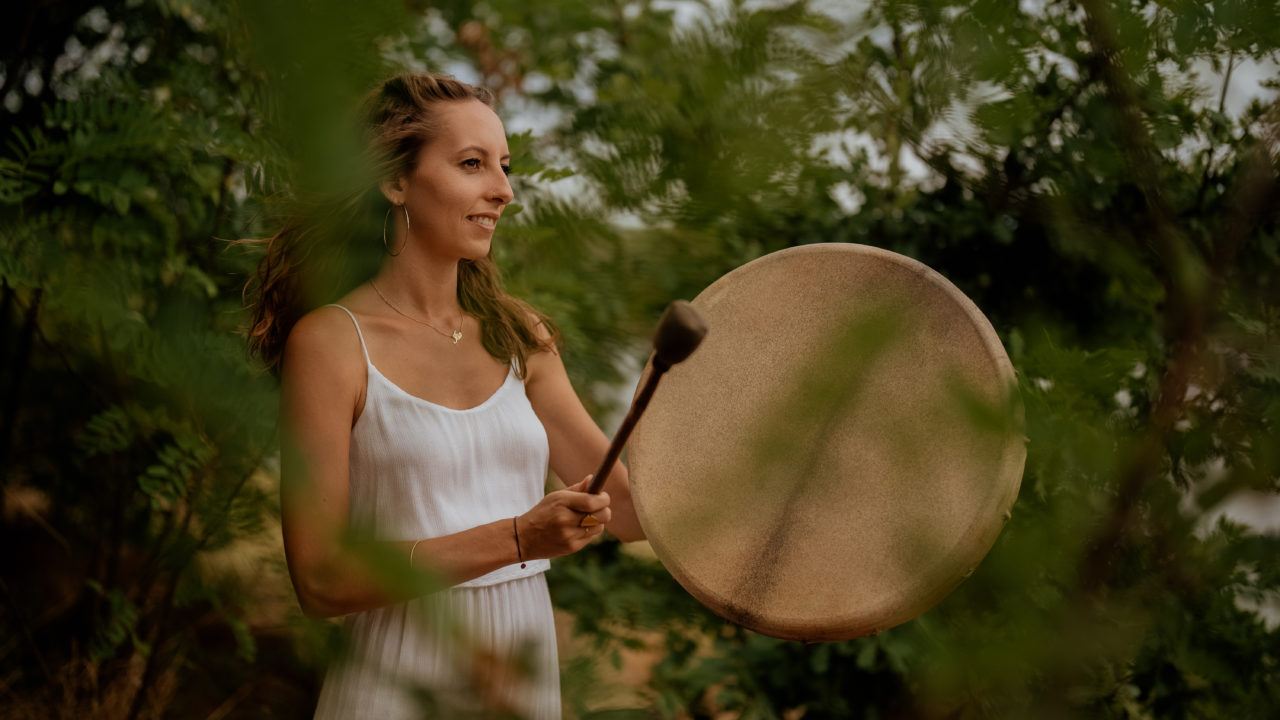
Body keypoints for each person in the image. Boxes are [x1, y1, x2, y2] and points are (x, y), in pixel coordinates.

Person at [243, 72, 644, 719]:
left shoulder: (520, 336)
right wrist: (517, 537)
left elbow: (625, 510)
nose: (503, 191)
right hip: (394, 681)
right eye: (472, 164)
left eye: (505, 167)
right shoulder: (331, 344)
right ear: (395, 181)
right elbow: (319, 579)